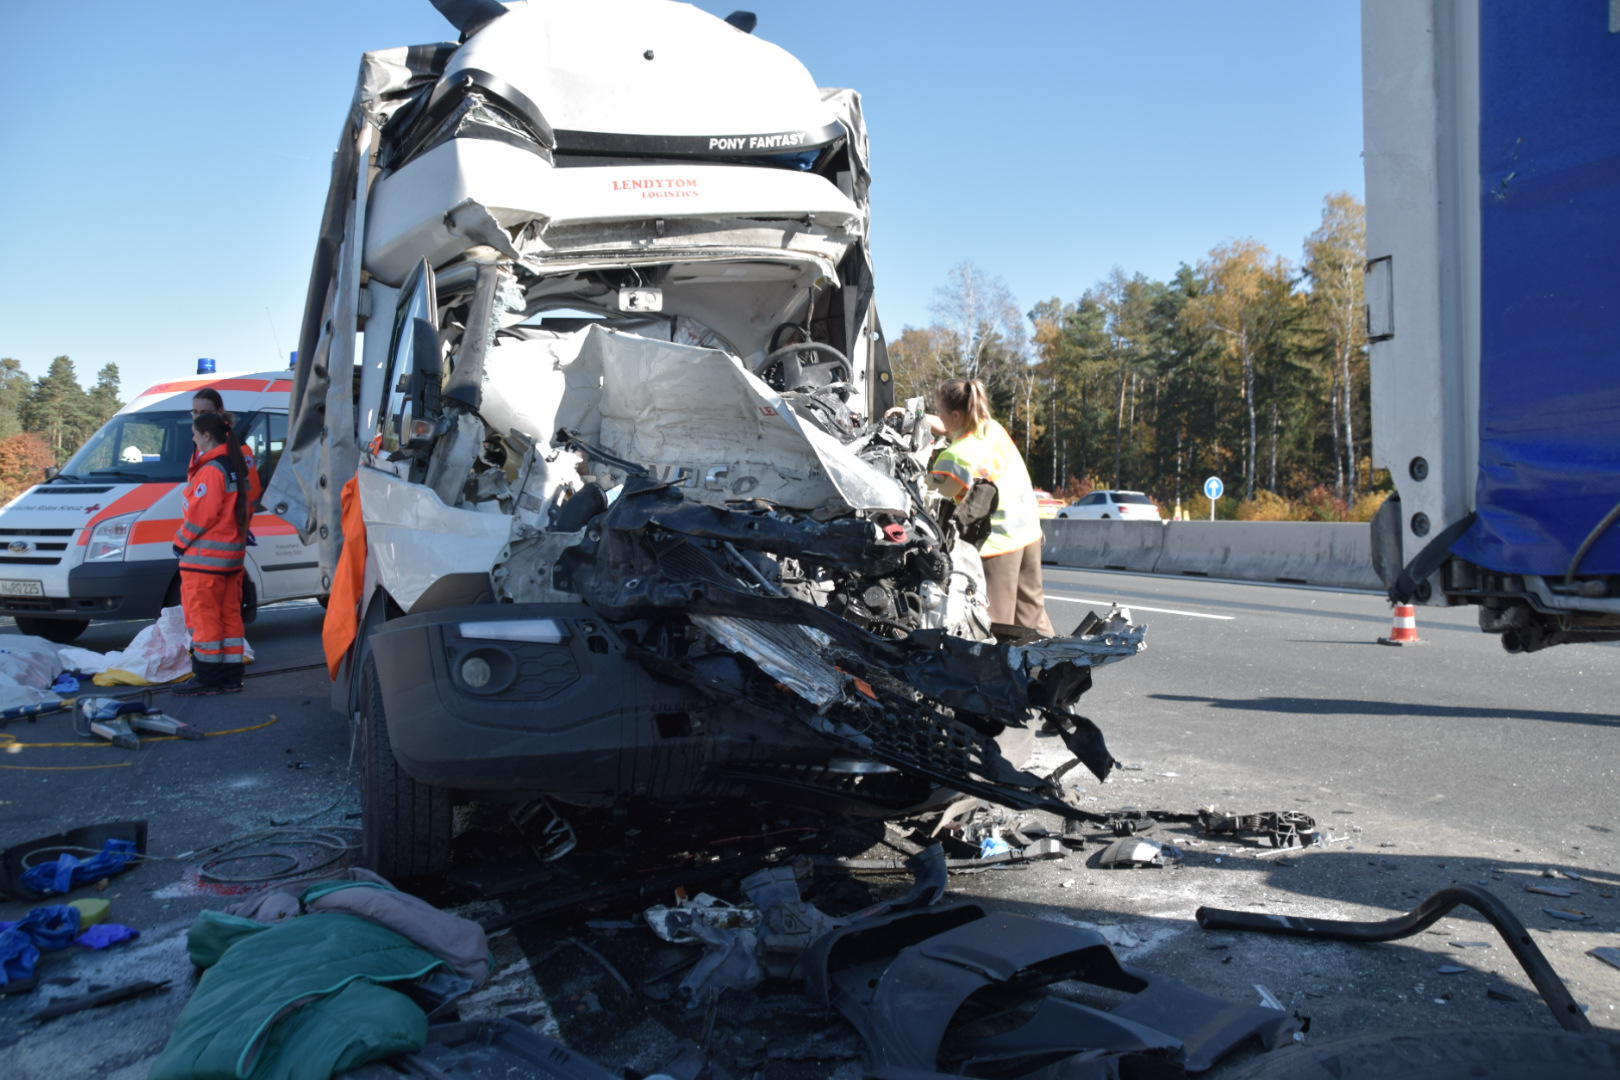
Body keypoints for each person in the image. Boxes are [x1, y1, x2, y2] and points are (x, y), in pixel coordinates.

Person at [920, 378, 1055, 638]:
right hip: (1027, 533)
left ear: (956, 415)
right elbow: (952, 429)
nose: (937, 416)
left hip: (998, 546)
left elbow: (927, 502)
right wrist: (919, 418)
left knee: (995, 624)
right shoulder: (991, 428)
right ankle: (1056, 669)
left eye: (939, 411)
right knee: (1032, 616)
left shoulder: (954, 457)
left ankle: (998, 676)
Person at [171, 412, 252, 695]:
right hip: (231, 559)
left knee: (205, 619)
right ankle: (230, 676)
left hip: (204, 560)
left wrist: (179, 542)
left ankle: (207, 678)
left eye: (194, 434)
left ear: (206, 436)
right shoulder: (235, 467)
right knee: (230, 617)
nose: (193, 439)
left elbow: (201, 514)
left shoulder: (211, 470)